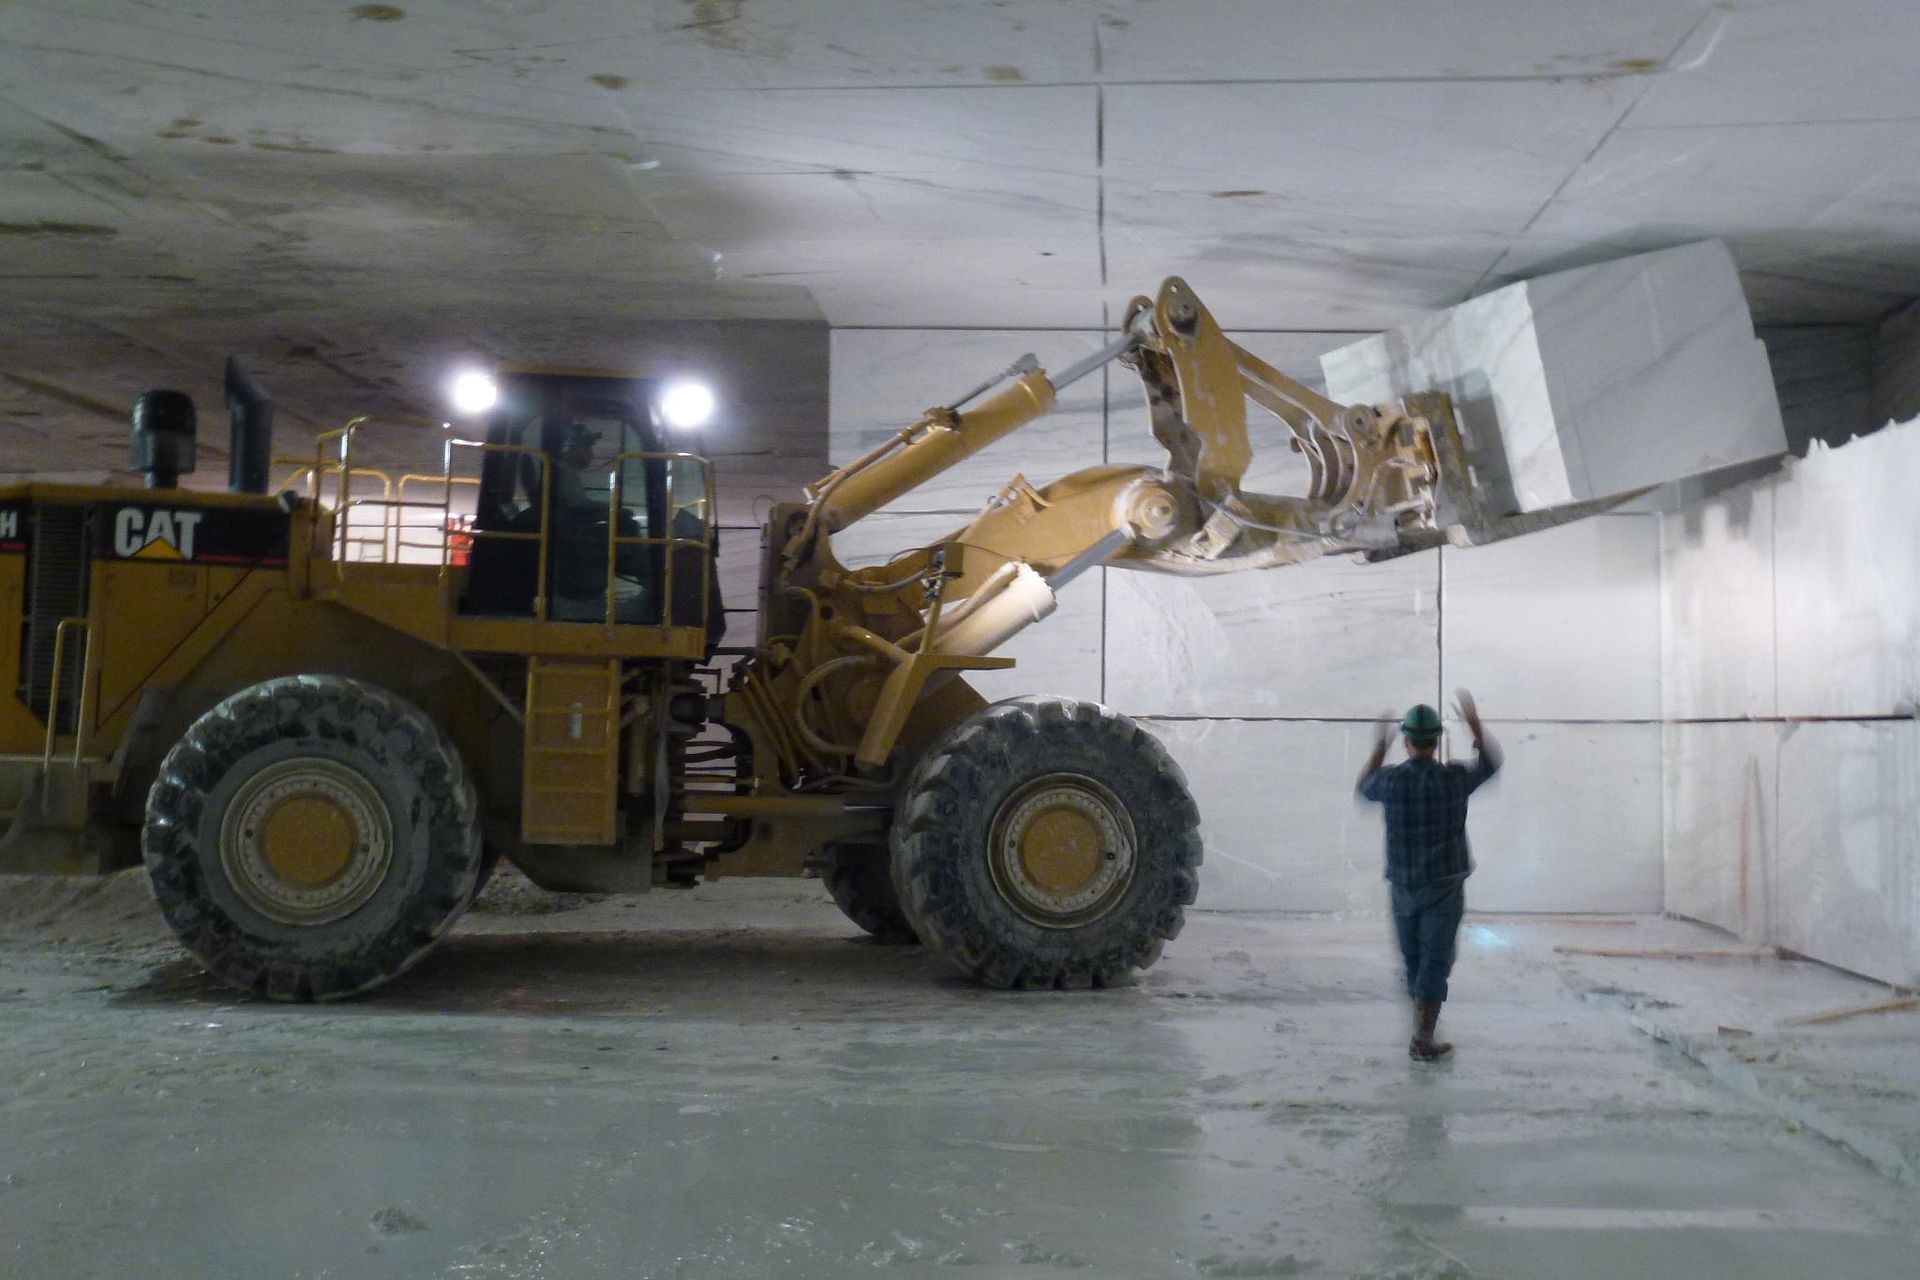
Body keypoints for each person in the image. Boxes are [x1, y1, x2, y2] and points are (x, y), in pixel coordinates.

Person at [1355, 690, 1501, 1062]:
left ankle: (1420, 1027)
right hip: (1444, 884)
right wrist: (1475, 726)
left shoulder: (1391, 782)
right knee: (1436, 958)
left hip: (1403, 884)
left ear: (1407, 742)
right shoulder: (1453, 779)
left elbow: (1363, 787)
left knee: (1414, 958)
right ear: (1436, 742)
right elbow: (1491, 765)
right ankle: (1423, 1035)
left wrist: (1378, 748)